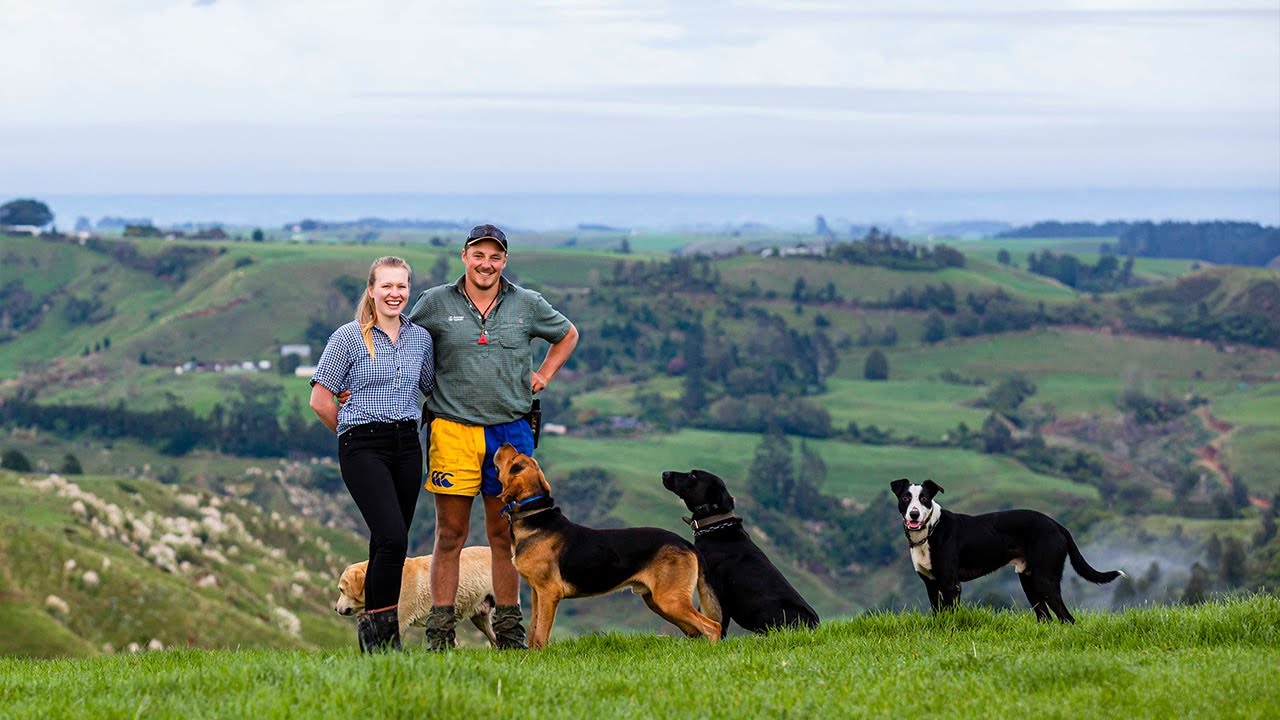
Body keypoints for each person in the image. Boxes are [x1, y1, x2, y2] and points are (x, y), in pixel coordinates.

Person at [408, 223, 578, 650]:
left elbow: (567, 335)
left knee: (506, 536)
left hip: (512, 432)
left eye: (495, 257)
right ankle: (440, 634)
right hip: (452, 430)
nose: (486, 264)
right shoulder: (435, 303)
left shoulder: (527, 304)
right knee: (450, 535)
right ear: (464, 256)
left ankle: (509, 633)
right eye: (478, 255)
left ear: (505, 260)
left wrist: (543, 375)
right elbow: (403, 341)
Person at [309, 256, 435, 652]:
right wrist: (348, 431)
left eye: (401, 286)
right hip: (362, 444)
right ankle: (386, 639)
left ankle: (374, 648)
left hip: (406, 445)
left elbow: (430, 386)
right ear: (372, 290)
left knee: (384, 546)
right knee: (394, 540)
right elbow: (320, 399)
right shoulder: (347, 338)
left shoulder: (421, 339)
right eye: (387, 286)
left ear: (408, 290)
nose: (395, 293)